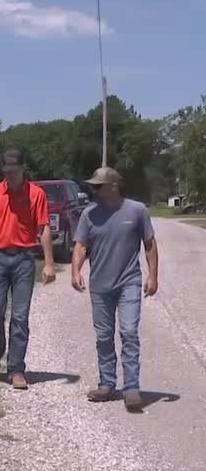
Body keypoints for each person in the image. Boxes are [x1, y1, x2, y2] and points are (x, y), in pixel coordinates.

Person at [70, 166, 158, 410]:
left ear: (114, 186)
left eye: (98, 186)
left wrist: (153, 276)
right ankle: (107, 384)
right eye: (93, 186)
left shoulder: (137, 211)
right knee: (103, 336)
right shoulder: (89, 214)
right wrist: (76, 270)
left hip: (129, 281)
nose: (93, 189)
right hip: (100, 286)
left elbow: (149, 244)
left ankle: (131, 388)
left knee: (129, 332)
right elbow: (80, 246)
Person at [0, 149, 55, 390]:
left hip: (24, 259)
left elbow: (44, 229)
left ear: (23, 169)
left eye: (14, 171)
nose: (10, 175)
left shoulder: (36, 194)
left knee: (19, 317)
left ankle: (17, 369)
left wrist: (49, 263)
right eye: (6, 172)